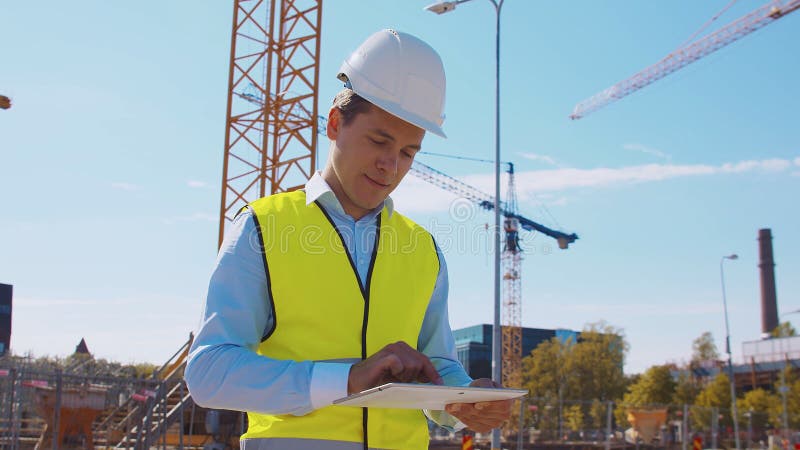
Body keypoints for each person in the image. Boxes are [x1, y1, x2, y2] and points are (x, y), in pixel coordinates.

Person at [185, 28, 512, 450]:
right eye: (379, 141)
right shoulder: (262, 228)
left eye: (409, 153)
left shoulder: (423, 250)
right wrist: (346, 379)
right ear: (335, 124)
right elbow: (210, 374)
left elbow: (439, 365)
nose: (390, 165)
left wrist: (462, 399)